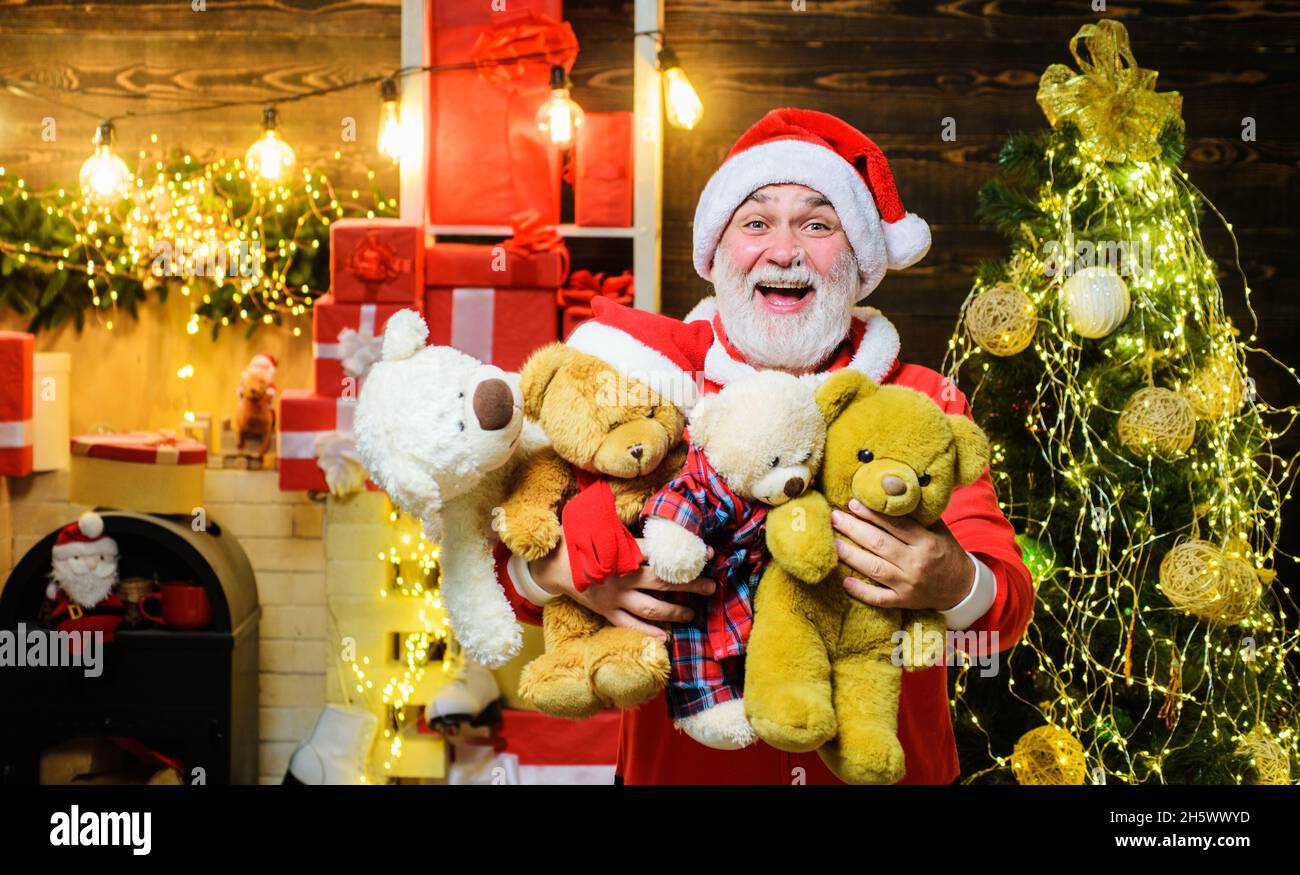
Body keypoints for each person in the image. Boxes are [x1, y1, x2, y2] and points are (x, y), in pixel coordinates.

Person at [494, 108, 1034, 784]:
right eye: (756, 222)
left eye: (817, 223)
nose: (784, 251)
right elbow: (509, 560)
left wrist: (952, 579)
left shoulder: (920, 400)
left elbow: (1005, 608)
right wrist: (565, 576)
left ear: (860, 261)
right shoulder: (644, 386)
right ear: (717, 255)